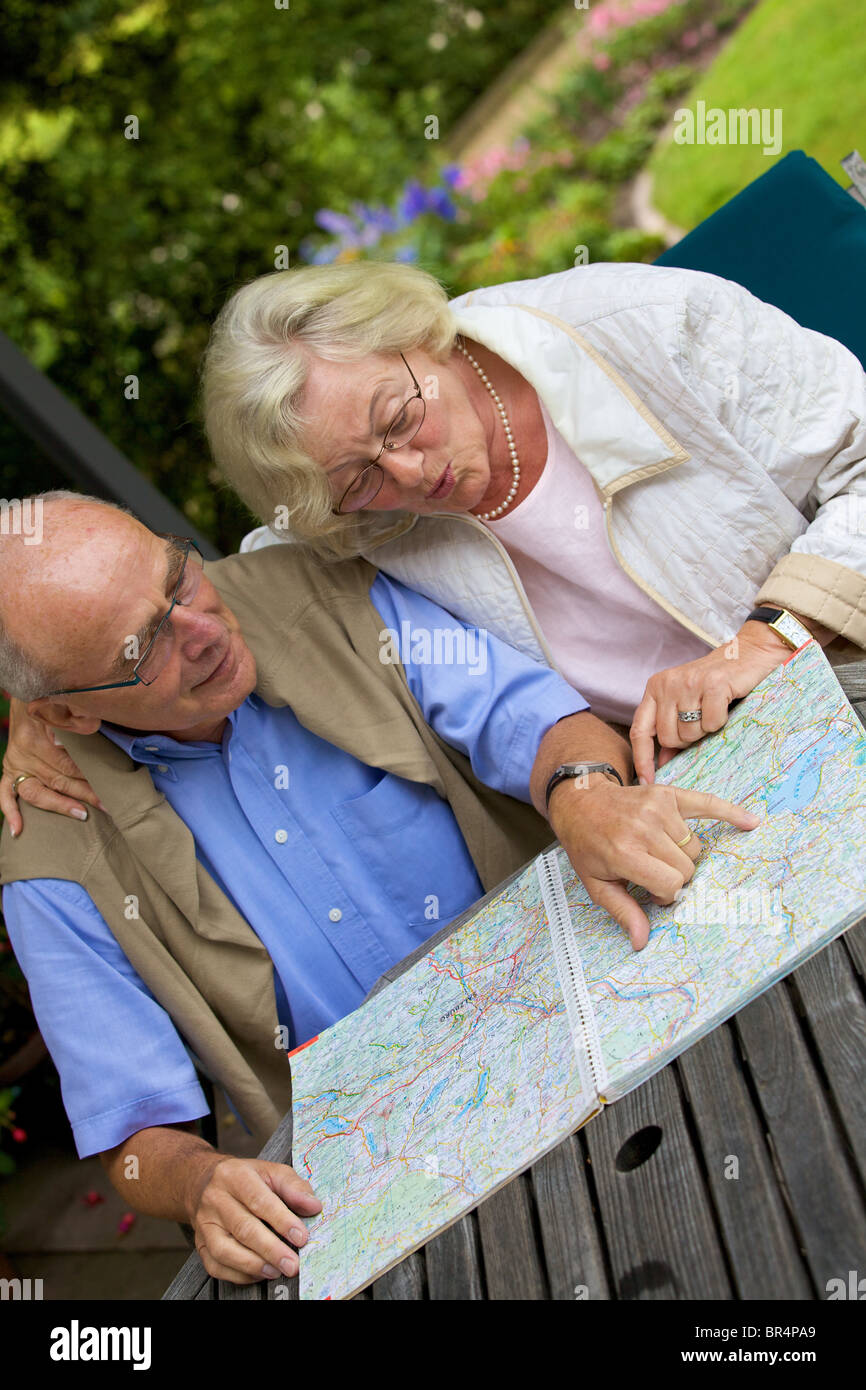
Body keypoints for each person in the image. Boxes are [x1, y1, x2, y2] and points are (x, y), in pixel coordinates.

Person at [0, 492, 759, 1284]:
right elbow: (135, 1133)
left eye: (177, 578)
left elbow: (529, 721)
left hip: (609, 1016)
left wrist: (584, 791)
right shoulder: (47, 860)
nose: (200, 630)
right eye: (143, 647)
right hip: (415, 1189)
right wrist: (197, 1184)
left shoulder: (317, 590)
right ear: (62, 713)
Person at [199, 258, 866, 776]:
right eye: (359, 478)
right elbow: (213, 597)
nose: (409, 474)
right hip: (715, 777)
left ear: (418, 334)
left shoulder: (647, 323)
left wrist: (765, 640)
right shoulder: (350, 524)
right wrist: (98, 740)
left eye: (400, 419)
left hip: (845, 670)